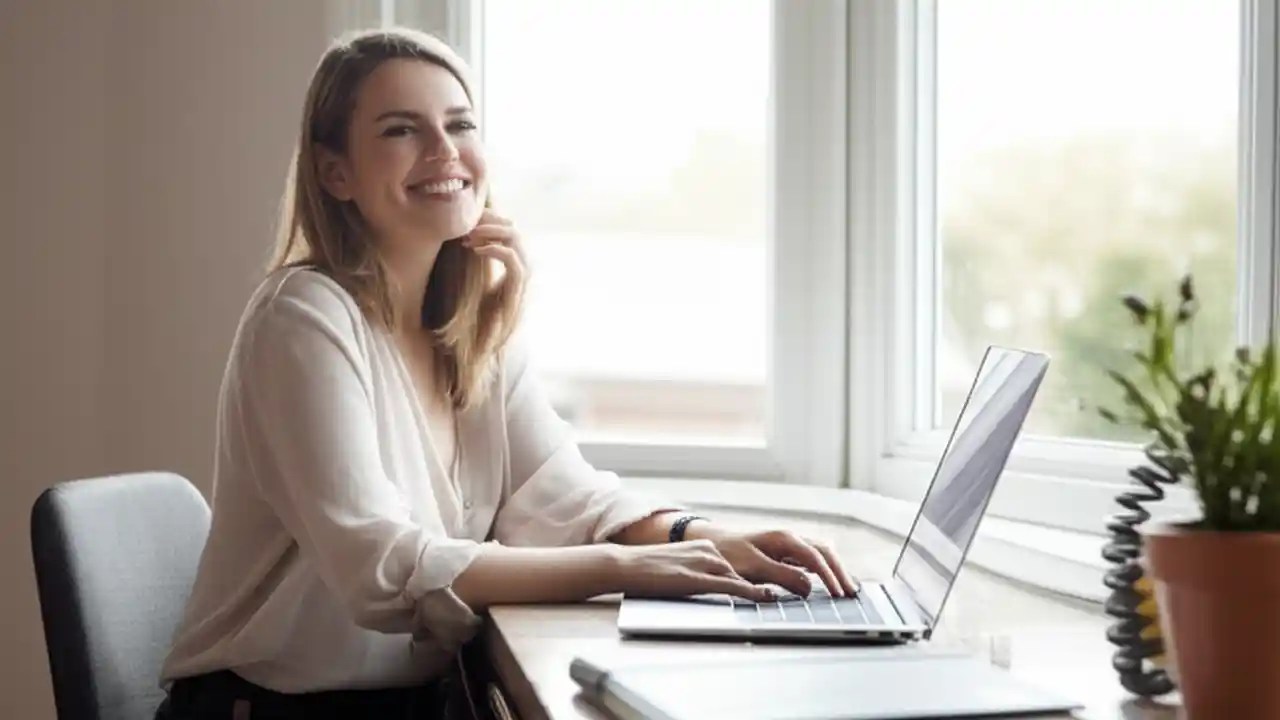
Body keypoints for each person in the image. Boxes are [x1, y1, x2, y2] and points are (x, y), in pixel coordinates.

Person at [155, 27, 858, 720]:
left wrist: (702, 536)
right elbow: (380, 565)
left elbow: (562, 498)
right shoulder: (302, 318)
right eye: (402, 130)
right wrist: (625, 570)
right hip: (265, 712)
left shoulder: (469, 325)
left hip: (415, 703)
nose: (444, 151)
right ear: (335, 171)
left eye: (459, 124)